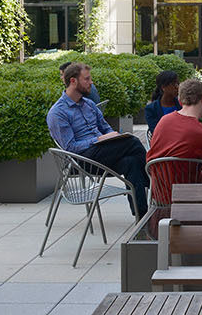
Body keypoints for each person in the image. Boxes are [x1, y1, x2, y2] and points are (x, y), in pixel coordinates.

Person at [46, 61, 149, 217]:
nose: (91, 82)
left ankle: (142, 217)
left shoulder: (89, 104)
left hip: (103, 156)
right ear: (73, 81)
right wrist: (99, 139)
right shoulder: (58, 113)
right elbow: (70, 148)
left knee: (132, 162)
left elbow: (105, 128)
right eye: (87, 79)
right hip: (83, 161)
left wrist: (112, 136)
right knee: (132, 142)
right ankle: (155, 181)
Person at [144, 77, 202, 203]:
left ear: (180, 100)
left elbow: (168, 154)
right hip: (191, 197)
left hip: (160, 197)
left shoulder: (163, 121)